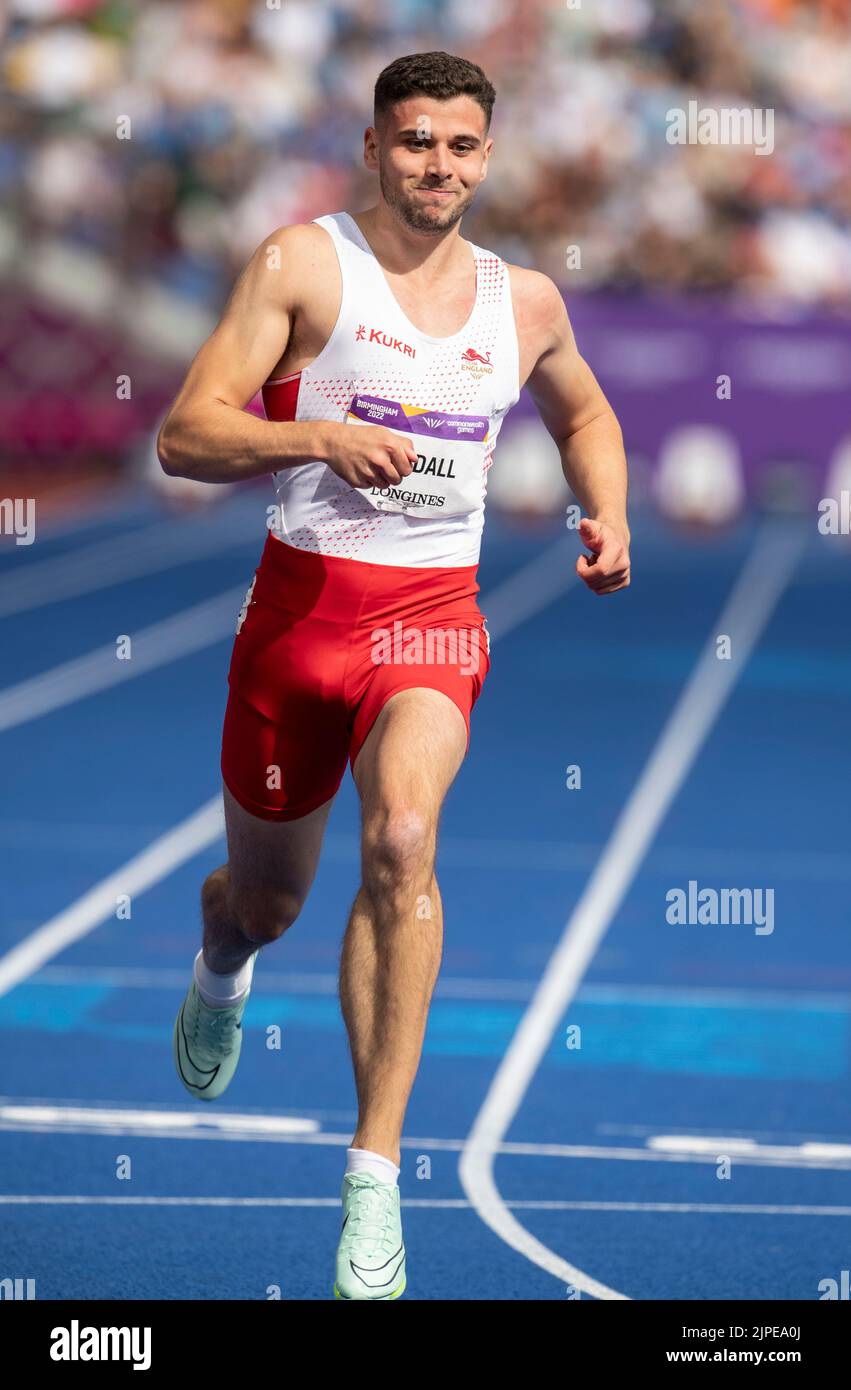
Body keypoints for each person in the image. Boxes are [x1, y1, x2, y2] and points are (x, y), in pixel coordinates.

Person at [157, 49, 630, 1301]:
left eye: (462, 146)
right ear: (373, 147)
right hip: (299, 620)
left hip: (429, 618)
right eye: (415, 141)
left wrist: (609, 513)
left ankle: (373, 1172)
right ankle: (222, 954)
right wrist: (312, 430)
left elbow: (583, 413)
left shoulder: (522, 301)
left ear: (488, 156)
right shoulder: (302, 264)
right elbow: (185, 430)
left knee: (403, 841)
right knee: (268, 904)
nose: (439, 165)